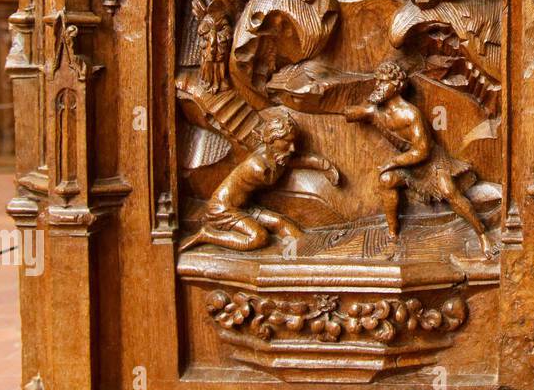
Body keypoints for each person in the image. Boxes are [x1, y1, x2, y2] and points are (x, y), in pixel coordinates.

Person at [344, 60, 496, 257]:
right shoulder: (376, 111)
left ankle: (482, 234)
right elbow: (349, 112)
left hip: (431, 162)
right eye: (377, 82)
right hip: (408, 163)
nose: (378, 87)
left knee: (449, 192)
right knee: (386, 180)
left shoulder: (411, 114)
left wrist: (392, 162)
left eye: (383, 82)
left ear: (397, 85)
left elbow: (422, 151)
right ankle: (393, 236)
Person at [179, 112, 339, 252]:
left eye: (293, 142)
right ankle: (208, 235)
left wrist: (324, 166)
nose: (292, 148)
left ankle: (312, 249)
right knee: (259, 237)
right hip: (222, 210)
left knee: (281, 222)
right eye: (286, 142)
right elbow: (288, 166)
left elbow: (292, 161)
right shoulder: (259, 168)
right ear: (271, 140)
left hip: (244, 206)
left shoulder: (274, 156)